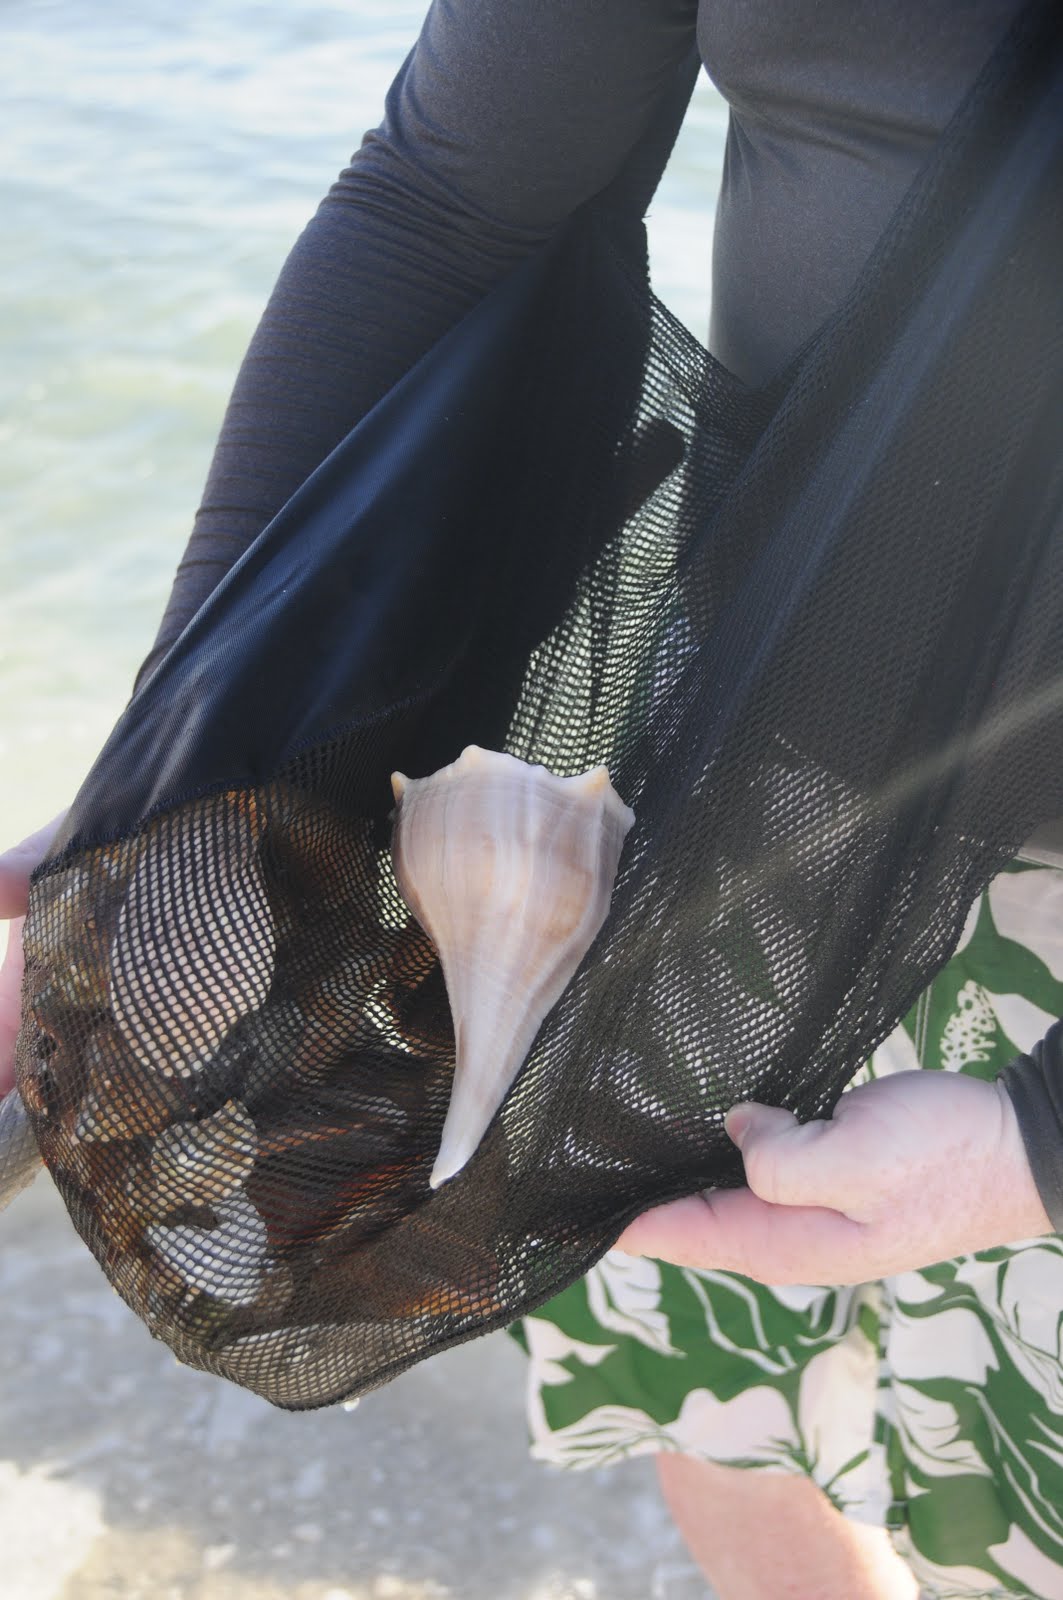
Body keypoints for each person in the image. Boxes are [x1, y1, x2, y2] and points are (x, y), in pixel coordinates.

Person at [3, 2, 1062, 1595]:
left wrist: (1045, 1143)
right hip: (723, 841)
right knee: (710, 1407)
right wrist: (202, 767)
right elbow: (453, 194)